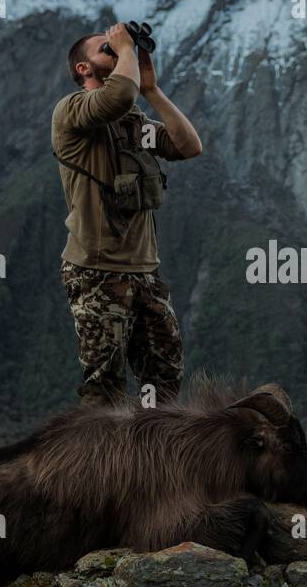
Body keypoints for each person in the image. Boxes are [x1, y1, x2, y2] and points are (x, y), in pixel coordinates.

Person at [52, 21, 202, 406]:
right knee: (105, 390)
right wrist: (125, 51)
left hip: (145, 272)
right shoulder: (72, 111)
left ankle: (151, 443)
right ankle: (97, 448)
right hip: (97, 271)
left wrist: (152, 91)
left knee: (164, 381)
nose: (117, 50)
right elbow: (117, 96)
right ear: (83, 69)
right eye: (106, 48)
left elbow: (187, 146)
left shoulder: (134, 123)